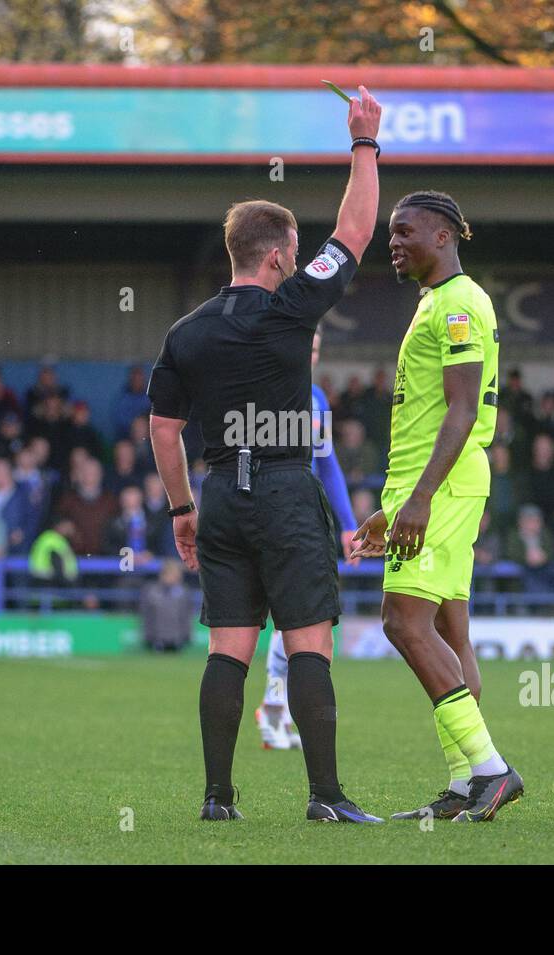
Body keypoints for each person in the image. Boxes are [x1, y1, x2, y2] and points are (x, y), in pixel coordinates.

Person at [147, 85, 382, 824]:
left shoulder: (185, 332)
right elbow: (355, 229)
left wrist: (182, 509)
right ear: (280, 256)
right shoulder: (291, 307)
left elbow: (162, 429)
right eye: (293, 251)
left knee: (229, 650)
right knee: (309, 641)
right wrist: (364, 140)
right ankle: (326, 797)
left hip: (220, 494)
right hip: (284, 488)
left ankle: (219, 800)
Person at [350, 190, 521, 823]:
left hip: (440, 486)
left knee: (403, 622)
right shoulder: (438, 302)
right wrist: (392, 507)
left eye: (404, 231)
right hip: (431, 485)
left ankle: (491, 768)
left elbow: (462, 408)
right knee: (448, 627)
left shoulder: (457, 305)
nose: (392, 242)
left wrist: (418, 499)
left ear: (443, 236)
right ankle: (464, 782)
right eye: (391, 233)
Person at [256, 326, 359, 752]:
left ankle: (273, 708)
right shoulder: (265, 393)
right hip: (273, 517)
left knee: (295, 621)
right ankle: (272, 709)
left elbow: (328, 464)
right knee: (289, 621)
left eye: (316, 349)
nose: (311, 355)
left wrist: (349, 523)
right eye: (306, 347)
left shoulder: (315, 400)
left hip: (307, 522)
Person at [139, 559, 195, 652]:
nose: (177, 577)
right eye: (173, 574)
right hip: (156, 640)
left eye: (178, 575)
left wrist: (187, 636)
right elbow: (146, 617)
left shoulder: (183, 592)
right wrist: (148, 637)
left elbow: (186, 617)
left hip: (178, 640)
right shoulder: (151, 591)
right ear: (163, 575)